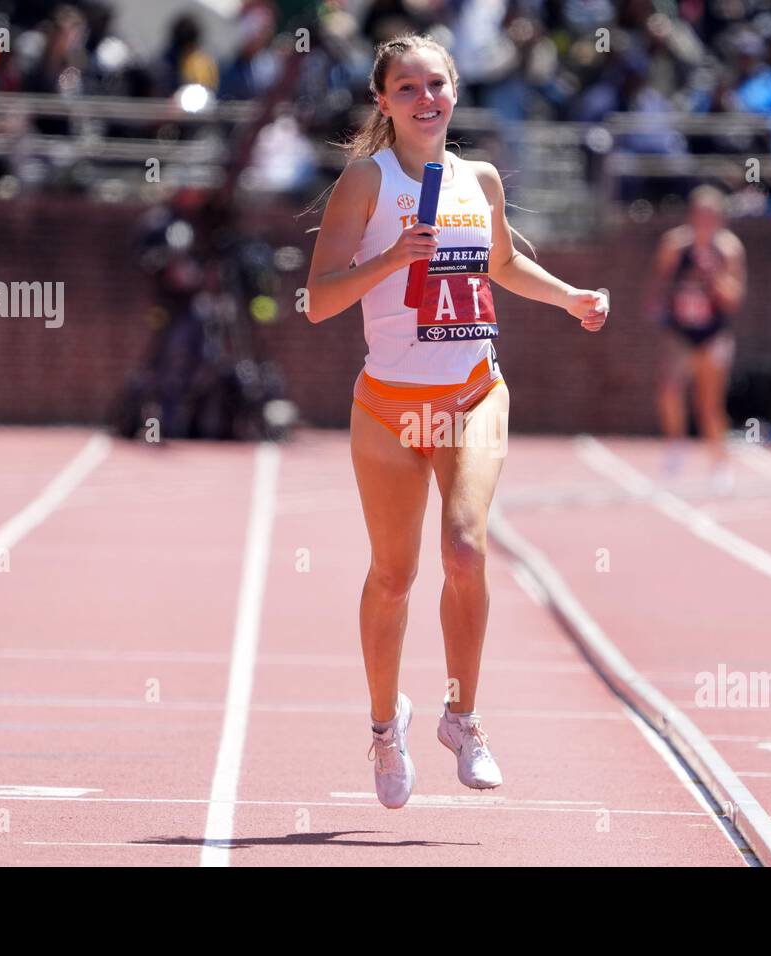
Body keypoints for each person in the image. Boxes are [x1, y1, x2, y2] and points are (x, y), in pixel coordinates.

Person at [305, 33, 608, 809]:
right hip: (388, 407)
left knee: (466, 548)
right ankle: (384, 726)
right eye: (406, 88)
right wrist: (392, 259)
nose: (424, 98)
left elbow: (501, 265)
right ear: (383, 102)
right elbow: (317, 301)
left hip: (474, 394)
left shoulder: (479, 180)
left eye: (435, 84)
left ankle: (462, 716)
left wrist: (571, 296)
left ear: (456, 91)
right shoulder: (364, 185)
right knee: (394, 574)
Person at [645, 184, 745, 490]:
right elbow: (658, 283)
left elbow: (734, 298)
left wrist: (713, 276)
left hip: (713, 333)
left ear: (719, 219)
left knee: (709, 404)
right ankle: (676, 445)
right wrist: (658, 309)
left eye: (710, 217)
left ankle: (719, 463)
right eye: (699, 215)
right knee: (669, 388)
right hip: (680, 331)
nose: (703, 222)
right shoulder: (675, 245)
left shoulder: (728, 249)